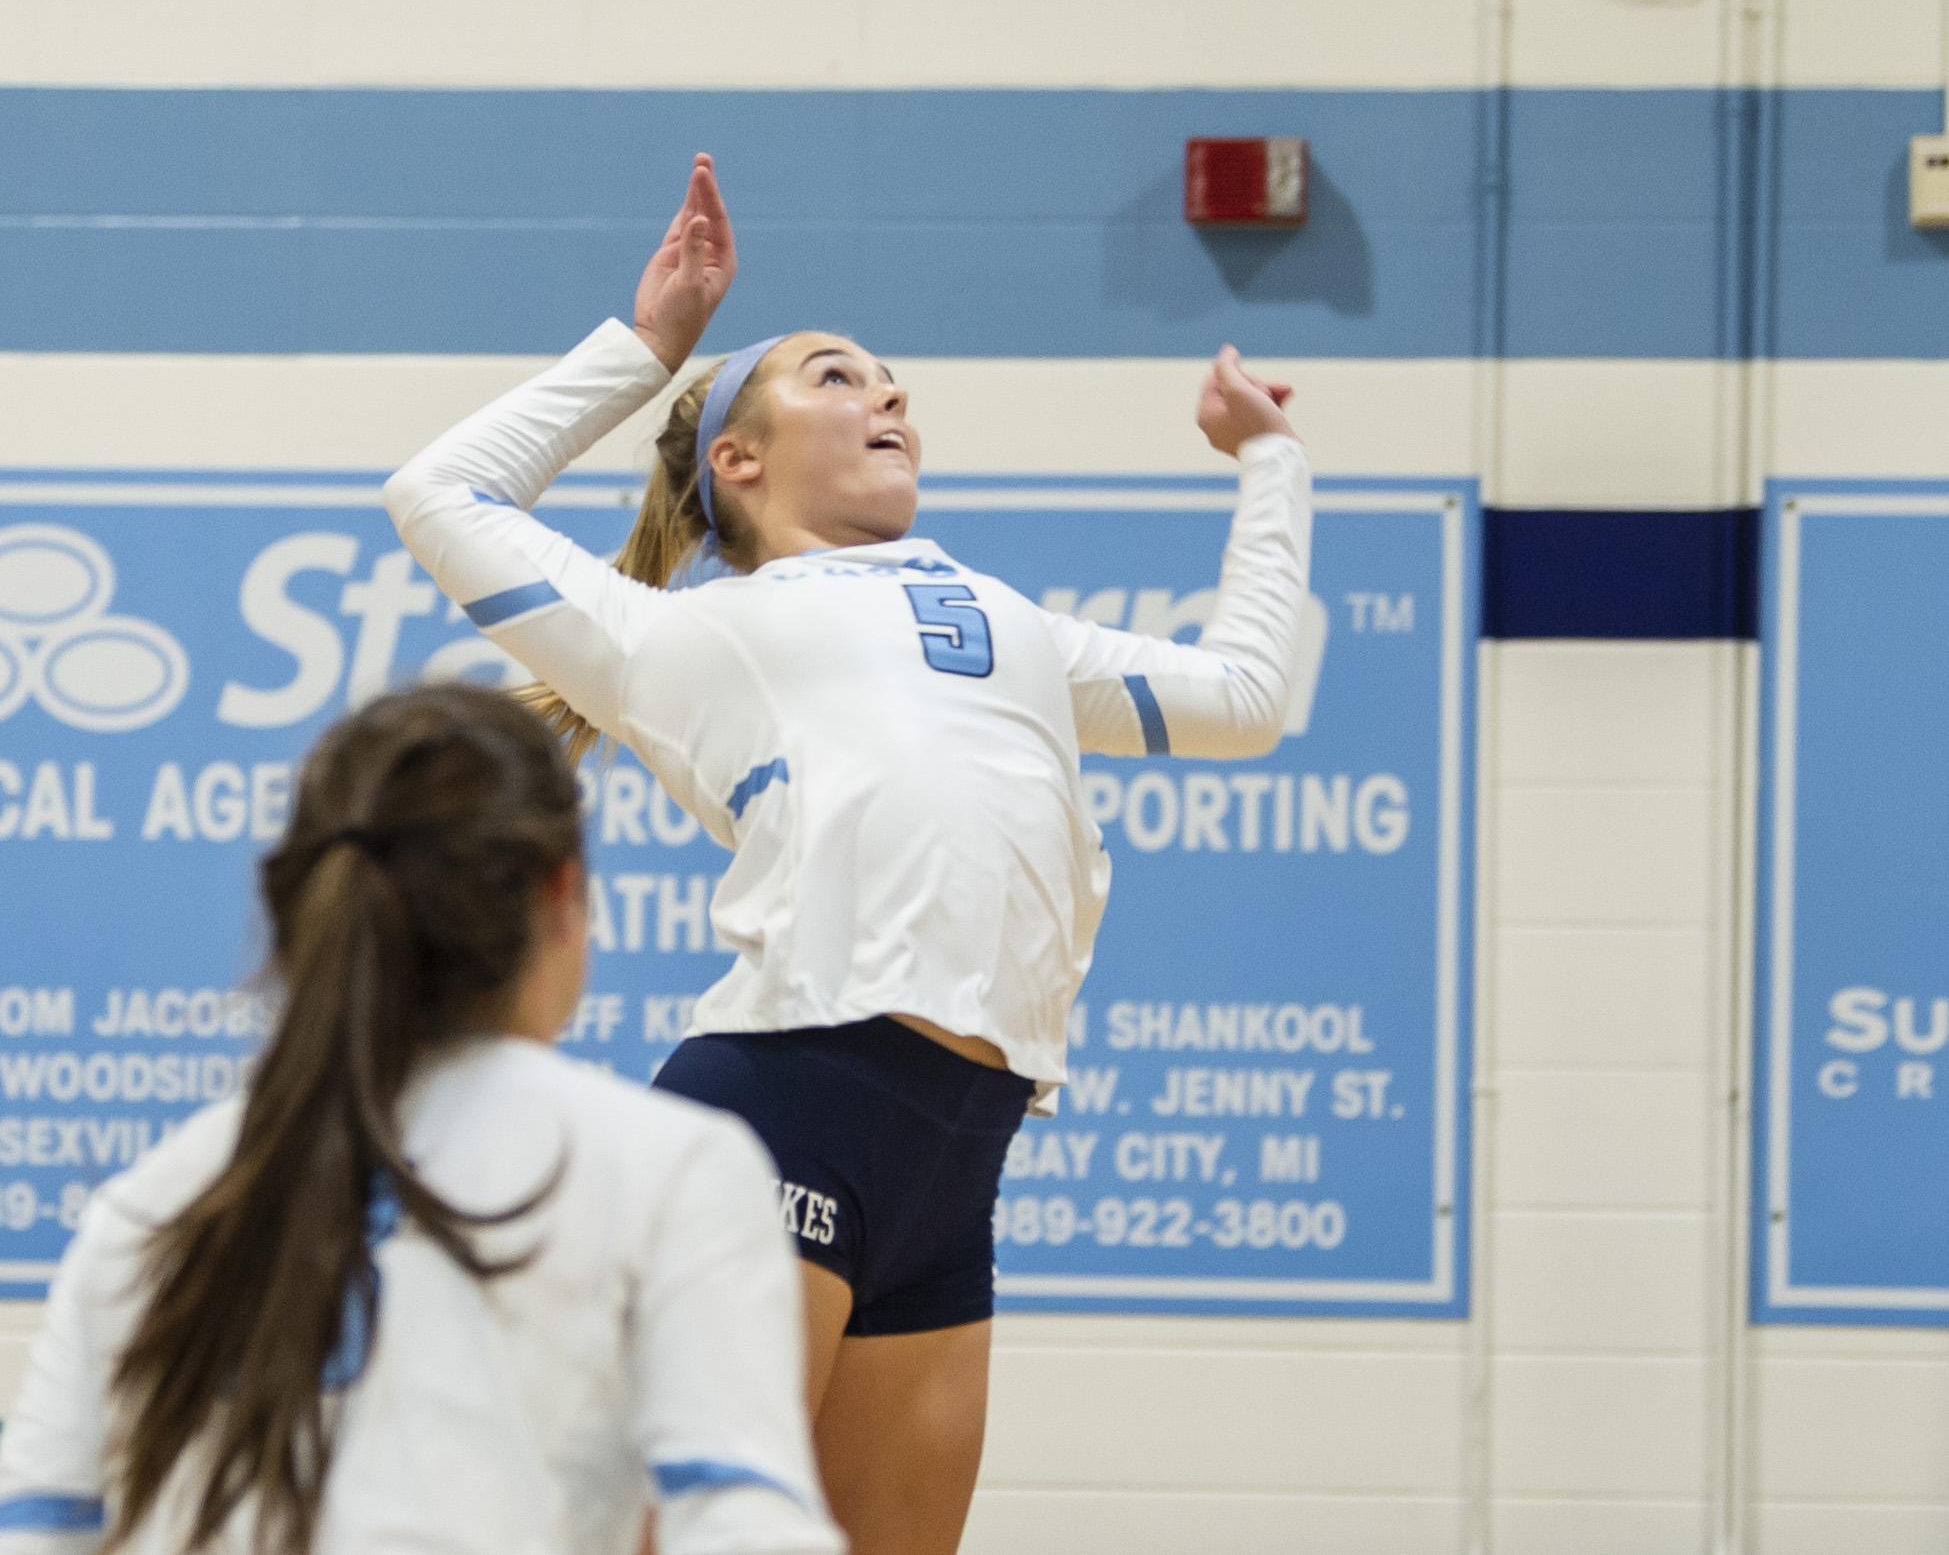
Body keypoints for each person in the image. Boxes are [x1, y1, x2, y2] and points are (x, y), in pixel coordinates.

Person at [380, 155, 1310, 1555]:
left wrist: (1272, 462)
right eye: (835, 375)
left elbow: (1247, 699)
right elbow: (441, 491)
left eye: (888, 379)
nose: (888, 394)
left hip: (960, 1146)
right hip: (789, 1099)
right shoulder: (685, 635)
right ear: (735, 464)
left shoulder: (1012, 621)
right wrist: (648, 348)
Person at [0, 683, 839, 1555]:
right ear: (563, 896)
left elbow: (36, 1528)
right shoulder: (673, 1171)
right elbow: (748, 1531)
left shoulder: (152, 1202)